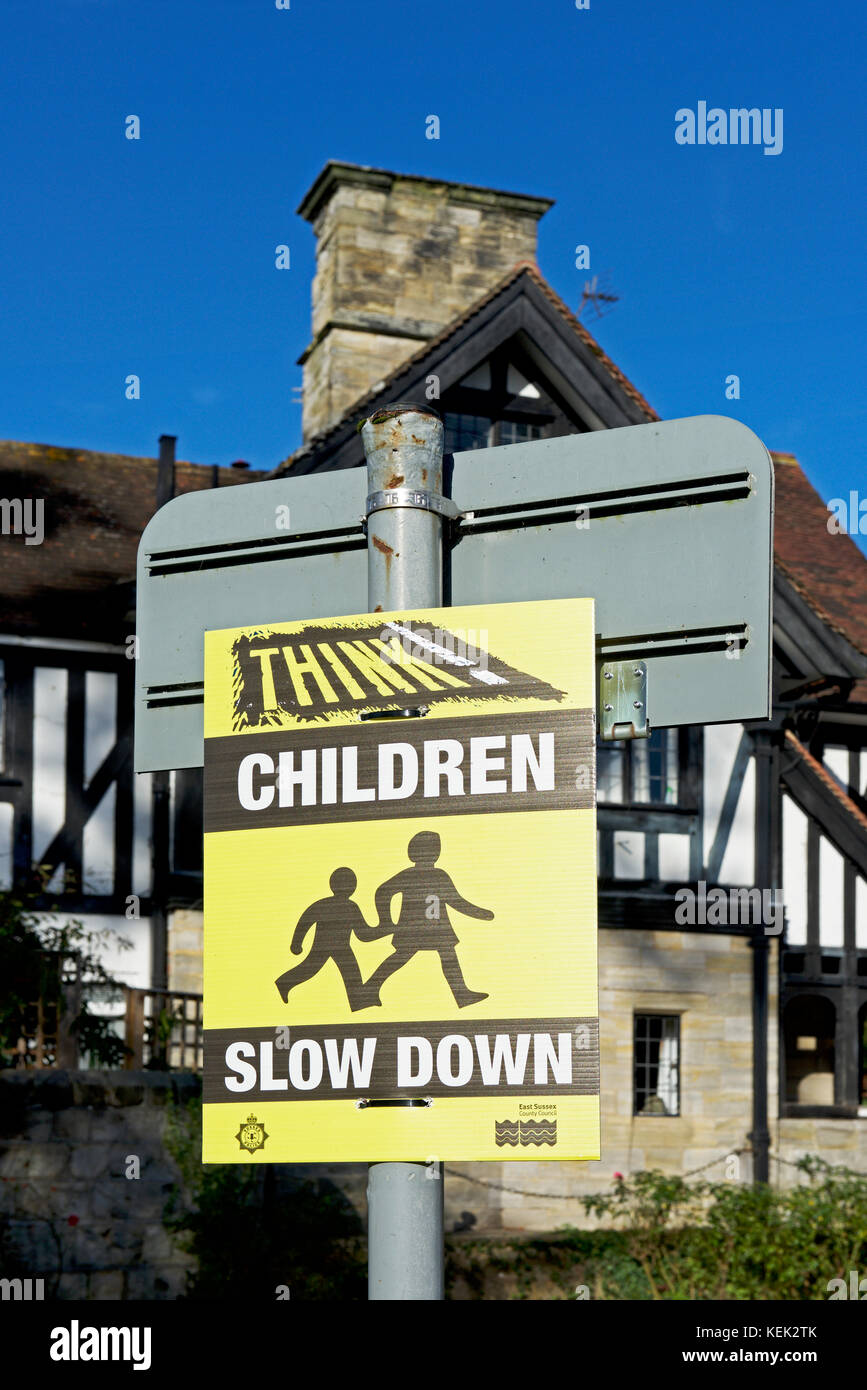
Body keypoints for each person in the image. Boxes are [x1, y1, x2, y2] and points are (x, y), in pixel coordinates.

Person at [364, 831, 493, 1008]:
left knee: (436, 956)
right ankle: (369, 988)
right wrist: (386, 920)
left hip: (429, 930)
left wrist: (385, 920)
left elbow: (383, 892)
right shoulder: (433, 875)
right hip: (425, 929)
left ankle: (461, 994)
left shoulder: (425, 875)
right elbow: (457, 902)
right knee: (406, 957)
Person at [274, 867, 383, 1012]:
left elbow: (363, 934)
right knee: (311, 969)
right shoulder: (345, 906)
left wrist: (297, 943)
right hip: (326, 947)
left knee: (348, 973)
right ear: (353, 887)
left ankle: (357, 1001)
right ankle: (283, 983)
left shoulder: (337, 905)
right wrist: (296, 943)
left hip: (338, 947)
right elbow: (306, 920)